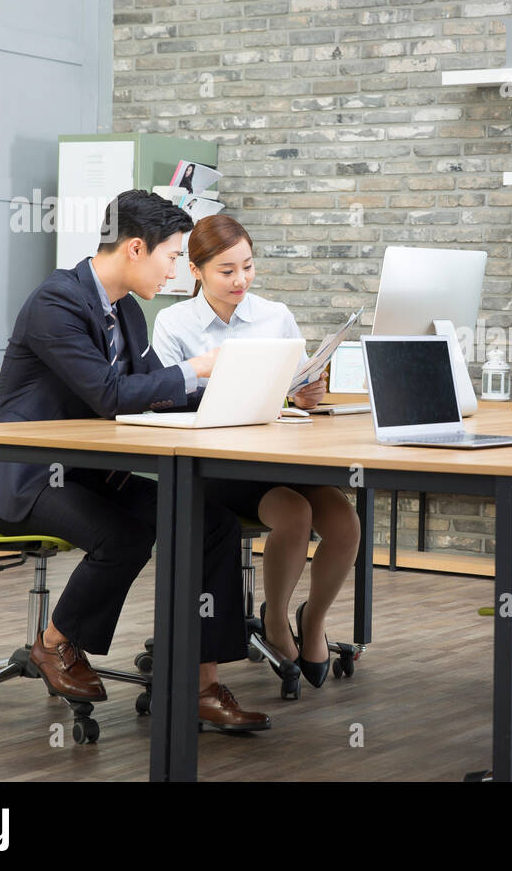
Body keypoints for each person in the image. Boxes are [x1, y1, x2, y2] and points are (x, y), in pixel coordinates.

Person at [0, 190, 269, 732]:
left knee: (211, 523)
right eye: (173, 256)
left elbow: (150, 388)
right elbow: (109, 393)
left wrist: (242, 392)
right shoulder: (55, 303)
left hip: (89, 471)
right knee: (123, 536)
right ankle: (53, 643)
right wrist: (198, 367)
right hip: (27, 476)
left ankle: (201, 686)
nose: (176, 271)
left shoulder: (125, 309)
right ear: (134, 248)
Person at [153, 214, 360, 689]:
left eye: (247, 266)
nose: (241, 280)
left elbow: (292, 389)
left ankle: (313, 620)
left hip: (277, 452)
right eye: (227, 271)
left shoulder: (275, 315)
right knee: (293, 513)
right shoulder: (173, 324)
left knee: (346, 524)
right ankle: (275, 620)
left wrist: (307, 395)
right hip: (214, 463)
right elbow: (161, 400)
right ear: (196, 270)